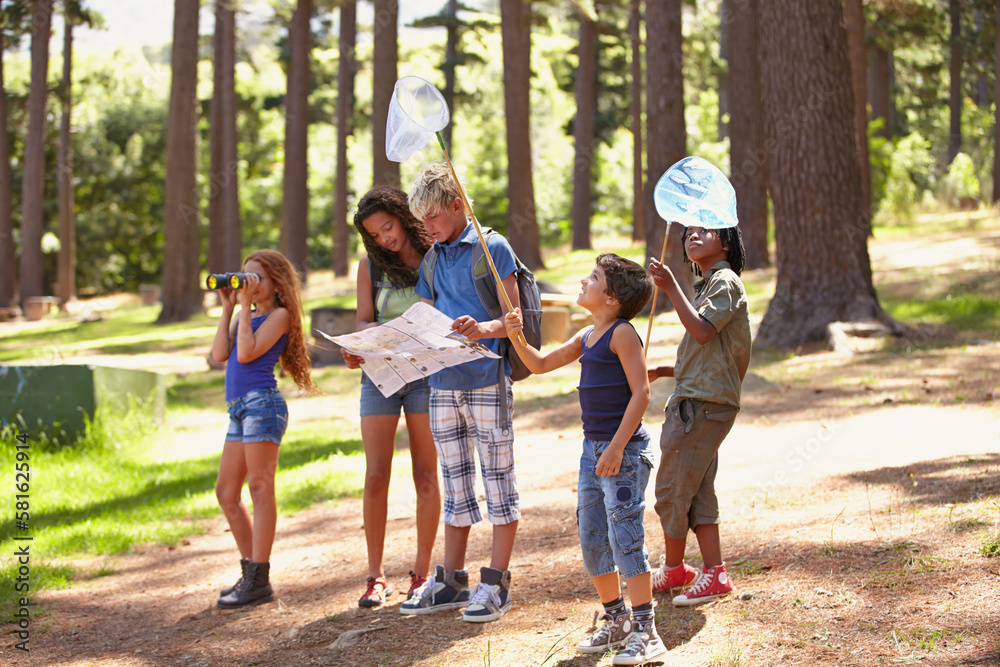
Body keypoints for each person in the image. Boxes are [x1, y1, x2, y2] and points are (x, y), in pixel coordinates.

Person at [505, 254, 667, 665]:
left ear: (611, 297)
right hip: (592, 451)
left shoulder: (623, 334)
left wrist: (615, 447)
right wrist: (516, 338)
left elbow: (642, 394)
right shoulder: (586, 335)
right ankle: (617, 620)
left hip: (623, 450)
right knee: (593, 536)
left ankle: (646, 629)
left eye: (592, 277)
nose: (583, 279)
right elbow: (540, 365)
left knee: (624, 534)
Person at [398, 162, 521, 624]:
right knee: (454, 483)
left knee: (498, 480)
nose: (426, 228)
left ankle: (495, 583)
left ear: (456, 205)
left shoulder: (491, 248)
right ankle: (451, 580)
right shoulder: (431, 258)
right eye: (421, 221)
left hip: (487, 380)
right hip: (442, 385)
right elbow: (424, 318)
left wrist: (482, 328)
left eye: (432, 217)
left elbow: (513, 320)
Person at [341, 186, 442, 608]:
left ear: (403, 217)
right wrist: (357, 344)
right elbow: (365, 318)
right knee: (376, 475)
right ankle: (375, 576)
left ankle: (421, 573)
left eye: (388, 227)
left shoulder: (435, 256)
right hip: (380, 375)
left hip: (424, 374)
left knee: (424, 475)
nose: (385, 238)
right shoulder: (370, 266)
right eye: (375, 234)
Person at [647, 224, 750, 607]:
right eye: (689, 231)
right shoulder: (709, 286)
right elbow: (712, 353)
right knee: (698, 490)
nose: (693, 235)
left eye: (704, 231)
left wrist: (671, 288)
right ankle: (714, 573)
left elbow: (704, 332)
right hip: (703, 398)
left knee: (672, 487)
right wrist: (666, 370)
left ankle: (675, 568)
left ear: (724, 242)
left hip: (703, 406)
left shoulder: (724, 281)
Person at [211, 249, 319, 609]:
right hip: (239, 411)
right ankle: (251, 573)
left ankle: (259, 577)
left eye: (256, 278)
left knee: (259, 486)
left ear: (275, 283)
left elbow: (246, 353)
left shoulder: (280, 315)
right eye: (245, 276)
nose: (249, 284)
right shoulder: (244, 315)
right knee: (226, 493)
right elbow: (219, 355)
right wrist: (229, 306)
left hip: (263, 405)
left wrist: (244, 308)